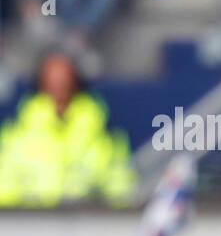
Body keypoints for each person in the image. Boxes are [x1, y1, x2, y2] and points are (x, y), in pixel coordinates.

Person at [0, 49, 135, 207]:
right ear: (42, 84)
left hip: (87, 225)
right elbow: (5, 191)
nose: (59, 85)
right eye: (53, 79)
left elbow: (121, 193)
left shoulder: (107, 137)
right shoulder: (15, 135)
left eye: (64, 79)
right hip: (30, 226)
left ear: (75, 83)